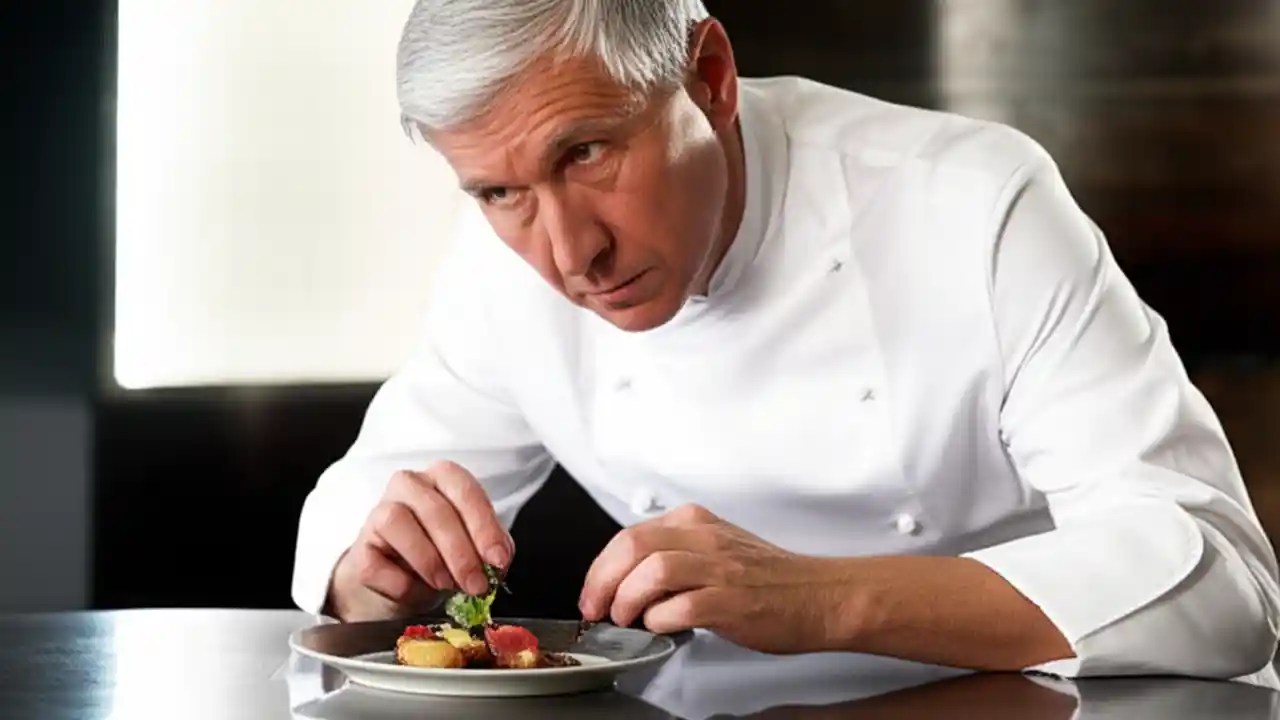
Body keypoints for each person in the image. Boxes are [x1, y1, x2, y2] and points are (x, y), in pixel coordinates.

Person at [291, 0, 1280, 678]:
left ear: (709, 77)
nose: (567, 252)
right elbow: (363, 504)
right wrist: (374, 570)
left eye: (585, 152)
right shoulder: (502, 264)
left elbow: (1221, 584)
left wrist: (828, 601)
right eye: (499, 192)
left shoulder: (971, 204)